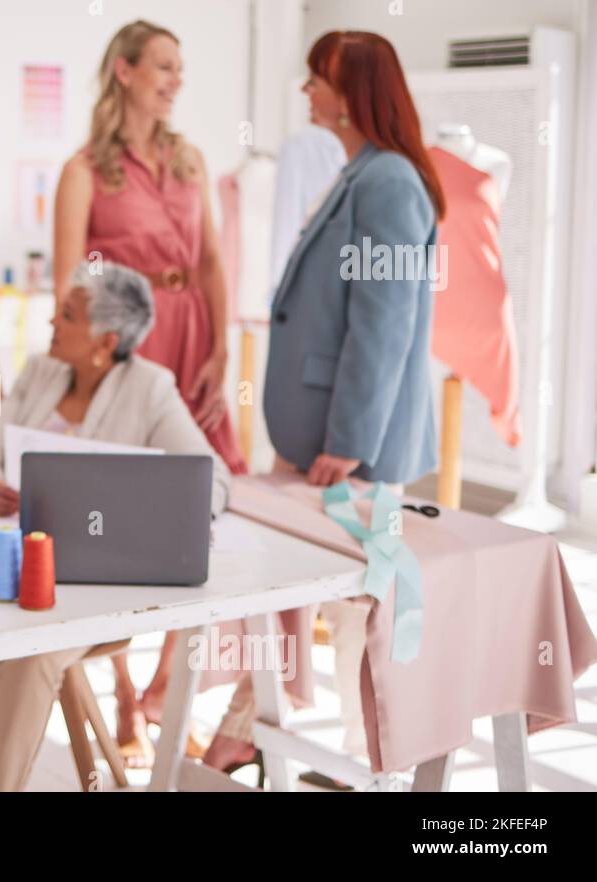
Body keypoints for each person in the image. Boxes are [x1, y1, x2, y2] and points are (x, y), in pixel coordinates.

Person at [204, 30, 444, 782]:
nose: (306, 90)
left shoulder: (388, 182)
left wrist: (348, 437)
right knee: (310, 590)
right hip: (322, 435)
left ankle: (370, 760)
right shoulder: (359, 173)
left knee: (357, 607)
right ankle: (264, 731)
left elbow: (385, 322)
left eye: (318, 79)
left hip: (348, 444)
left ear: (352, 93)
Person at [0, 260, 230, 791]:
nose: (52, 321)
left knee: (33, 654)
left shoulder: (150, 389)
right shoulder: (39, 372)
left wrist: (164, 512)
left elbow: (214, 481)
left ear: (105, 341)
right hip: (8, 573)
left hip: (93, 591)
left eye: (67, 315)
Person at [53, 19, 247, 765]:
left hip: (194, 340)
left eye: (180, 67)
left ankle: (168, 692)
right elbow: (71, 285)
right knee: (120, 517)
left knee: (195, 508)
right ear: (125, 72)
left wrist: (222, 349)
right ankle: (124, 690)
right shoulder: (83, 171)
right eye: (163, 66)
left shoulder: (190, 161)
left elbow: (212, 262)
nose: (176, 79)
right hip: (127, 349)